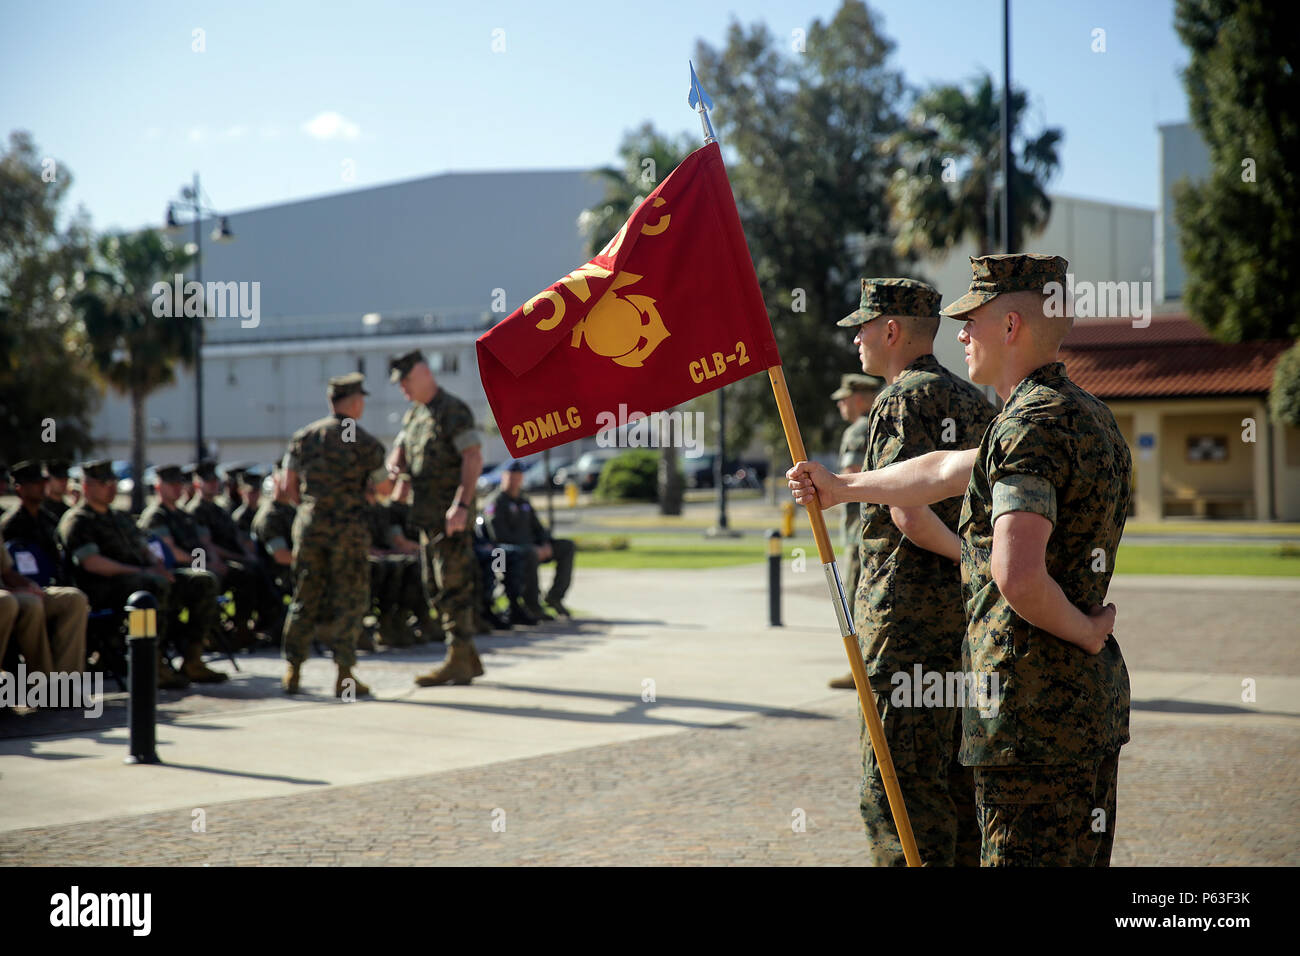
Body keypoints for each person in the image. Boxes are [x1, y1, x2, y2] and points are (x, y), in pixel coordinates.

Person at [788, 254, 1130, 867]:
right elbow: (942, 470)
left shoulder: (1029, 423)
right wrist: (842, 486)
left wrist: (1084, 630)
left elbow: (1018, 574)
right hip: (1074, 705)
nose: (961, 333)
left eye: (972, 319)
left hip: (1031, 707)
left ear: (1013, 325)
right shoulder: (1080, 414)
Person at [835, 278, 994, 866]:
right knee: (957, 782)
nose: (857, 338)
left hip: (904, 626)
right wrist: (978, 563)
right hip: (961, 626)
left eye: (864, 326)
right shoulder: (973, 400)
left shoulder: (900, 399)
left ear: (892, 330)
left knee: (898, 790)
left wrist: (965, 555)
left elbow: (908, 512)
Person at [58, 460, 221, 689]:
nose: (111, 487)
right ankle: (152, 663)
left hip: (142, 577)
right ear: (86, 487)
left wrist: (157, 565)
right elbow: (93, 563)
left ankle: (193, 659)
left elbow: (145, 548)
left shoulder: (120, 517)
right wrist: (144, 571)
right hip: (104, 587)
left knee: (201, 581)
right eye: (104, 483)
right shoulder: (78, 520)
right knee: (153, 584)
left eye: (113, 482)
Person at [280, 373, 386, 698]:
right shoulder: (365, 442)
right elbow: (384, 489)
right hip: (348, 531)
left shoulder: (304, 436)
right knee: (349, 601)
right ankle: (344, 676)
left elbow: (286, 489)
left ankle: (293, 671)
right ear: (354, 402)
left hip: (311, 527)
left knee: (304, 597)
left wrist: (313, 505)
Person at [386, 350, 486, 686]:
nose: (402, 389)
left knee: (452, 587)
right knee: (434, 585)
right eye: (399, 383)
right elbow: (400, 448)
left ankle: (458, 657)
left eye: (406, 381)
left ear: (425, 373)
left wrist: (461, 504)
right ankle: (466, 656)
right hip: (427, 517)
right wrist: (396, 466)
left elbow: (472, 457)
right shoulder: (415, 414)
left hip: (450, 518)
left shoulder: (452, 411)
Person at [137, 465, 229, 680]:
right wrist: (200, 563)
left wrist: (205, 561)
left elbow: (199, 544)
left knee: (208, 580)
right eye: (172, 484)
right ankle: (157, 662)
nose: (178, 489)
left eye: (180, 483)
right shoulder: (156, 516)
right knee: (204, 579)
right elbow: (171, 552)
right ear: (159, 487)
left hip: (187, 573)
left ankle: (193, 659)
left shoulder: (183, 515)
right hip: (166, 574)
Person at [0, 461, 90, 675]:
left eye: (43, 482)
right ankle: (41, 685)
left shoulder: (48, 519)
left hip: (35, 585)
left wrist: (29, 585)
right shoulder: (10, 524)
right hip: (13, 593)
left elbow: (7, 570)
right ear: (20, 489)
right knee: (28, 604)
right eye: (34, 483)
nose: (42, 487)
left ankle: (66, 685)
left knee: (74, 598)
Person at [827, 371, 883, 691]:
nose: (841, 406)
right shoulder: (883, 422)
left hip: (858, 531)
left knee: (852, 598)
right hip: (874, 529)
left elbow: (850, 475)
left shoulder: (858, 430)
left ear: (860, 398)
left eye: (844, 400)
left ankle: (858, 671)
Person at [186, 459, 284, 642]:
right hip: (206, 562)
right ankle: (241, 629)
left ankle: (266, 621)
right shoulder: (196, 510)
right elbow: (206, 545)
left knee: (259, 568)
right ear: (198, 484)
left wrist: (247, 555)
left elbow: (237, 537)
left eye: (216, 481)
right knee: (244, 574)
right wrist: (237, 557)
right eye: (210, 482)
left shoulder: (219, 510)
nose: (215, 485)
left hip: (229, 558)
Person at [482, 462, 576, 620]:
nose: (515, 482)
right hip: (504, 554)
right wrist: (532, 547)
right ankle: (532, 605)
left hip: (531, 548)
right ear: (504, 477)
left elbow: (538, 527)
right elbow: (498, 536)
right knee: (530, 554)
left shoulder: (523, 501)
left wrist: (545, 543)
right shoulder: (495, 502)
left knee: (567, 546)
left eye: (519, 478)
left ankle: (555, 596)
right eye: (512, 477)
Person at [250, 463, 297, 594]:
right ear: (276, 480)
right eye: (287, 478)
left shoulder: (291, 509)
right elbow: (281, 556)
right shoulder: (270, 516)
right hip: (282, 577)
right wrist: (314, 559)